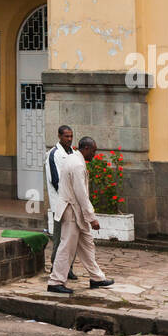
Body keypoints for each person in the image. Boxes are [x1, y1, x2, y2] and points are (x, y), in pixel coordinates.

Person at [47, 136, 115, 295]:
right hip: (72, 211)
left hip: (76, 211)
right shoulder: (77, 165)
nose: (94, 154)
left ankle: (96, 278)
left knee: (87, 244)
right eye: (93, 151)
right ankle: (55, 281)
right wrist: (92, 218)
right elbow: (81, 194)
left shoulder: (72, 159)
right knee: (66, 248)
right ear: (86, 149)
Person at [45, 123, 78, 281]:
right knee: (60, 238)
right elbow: (56, 181)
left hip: (73, 202)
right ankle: (55, 267)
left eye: (71, 136)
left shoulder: (73, 152)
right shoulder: (54, 154)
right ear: (59, 136)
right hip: (61, 203)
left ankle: (68, 267)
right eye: (66, 136)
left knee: (72, 237)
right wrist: (72, 195)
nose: (69, 139)